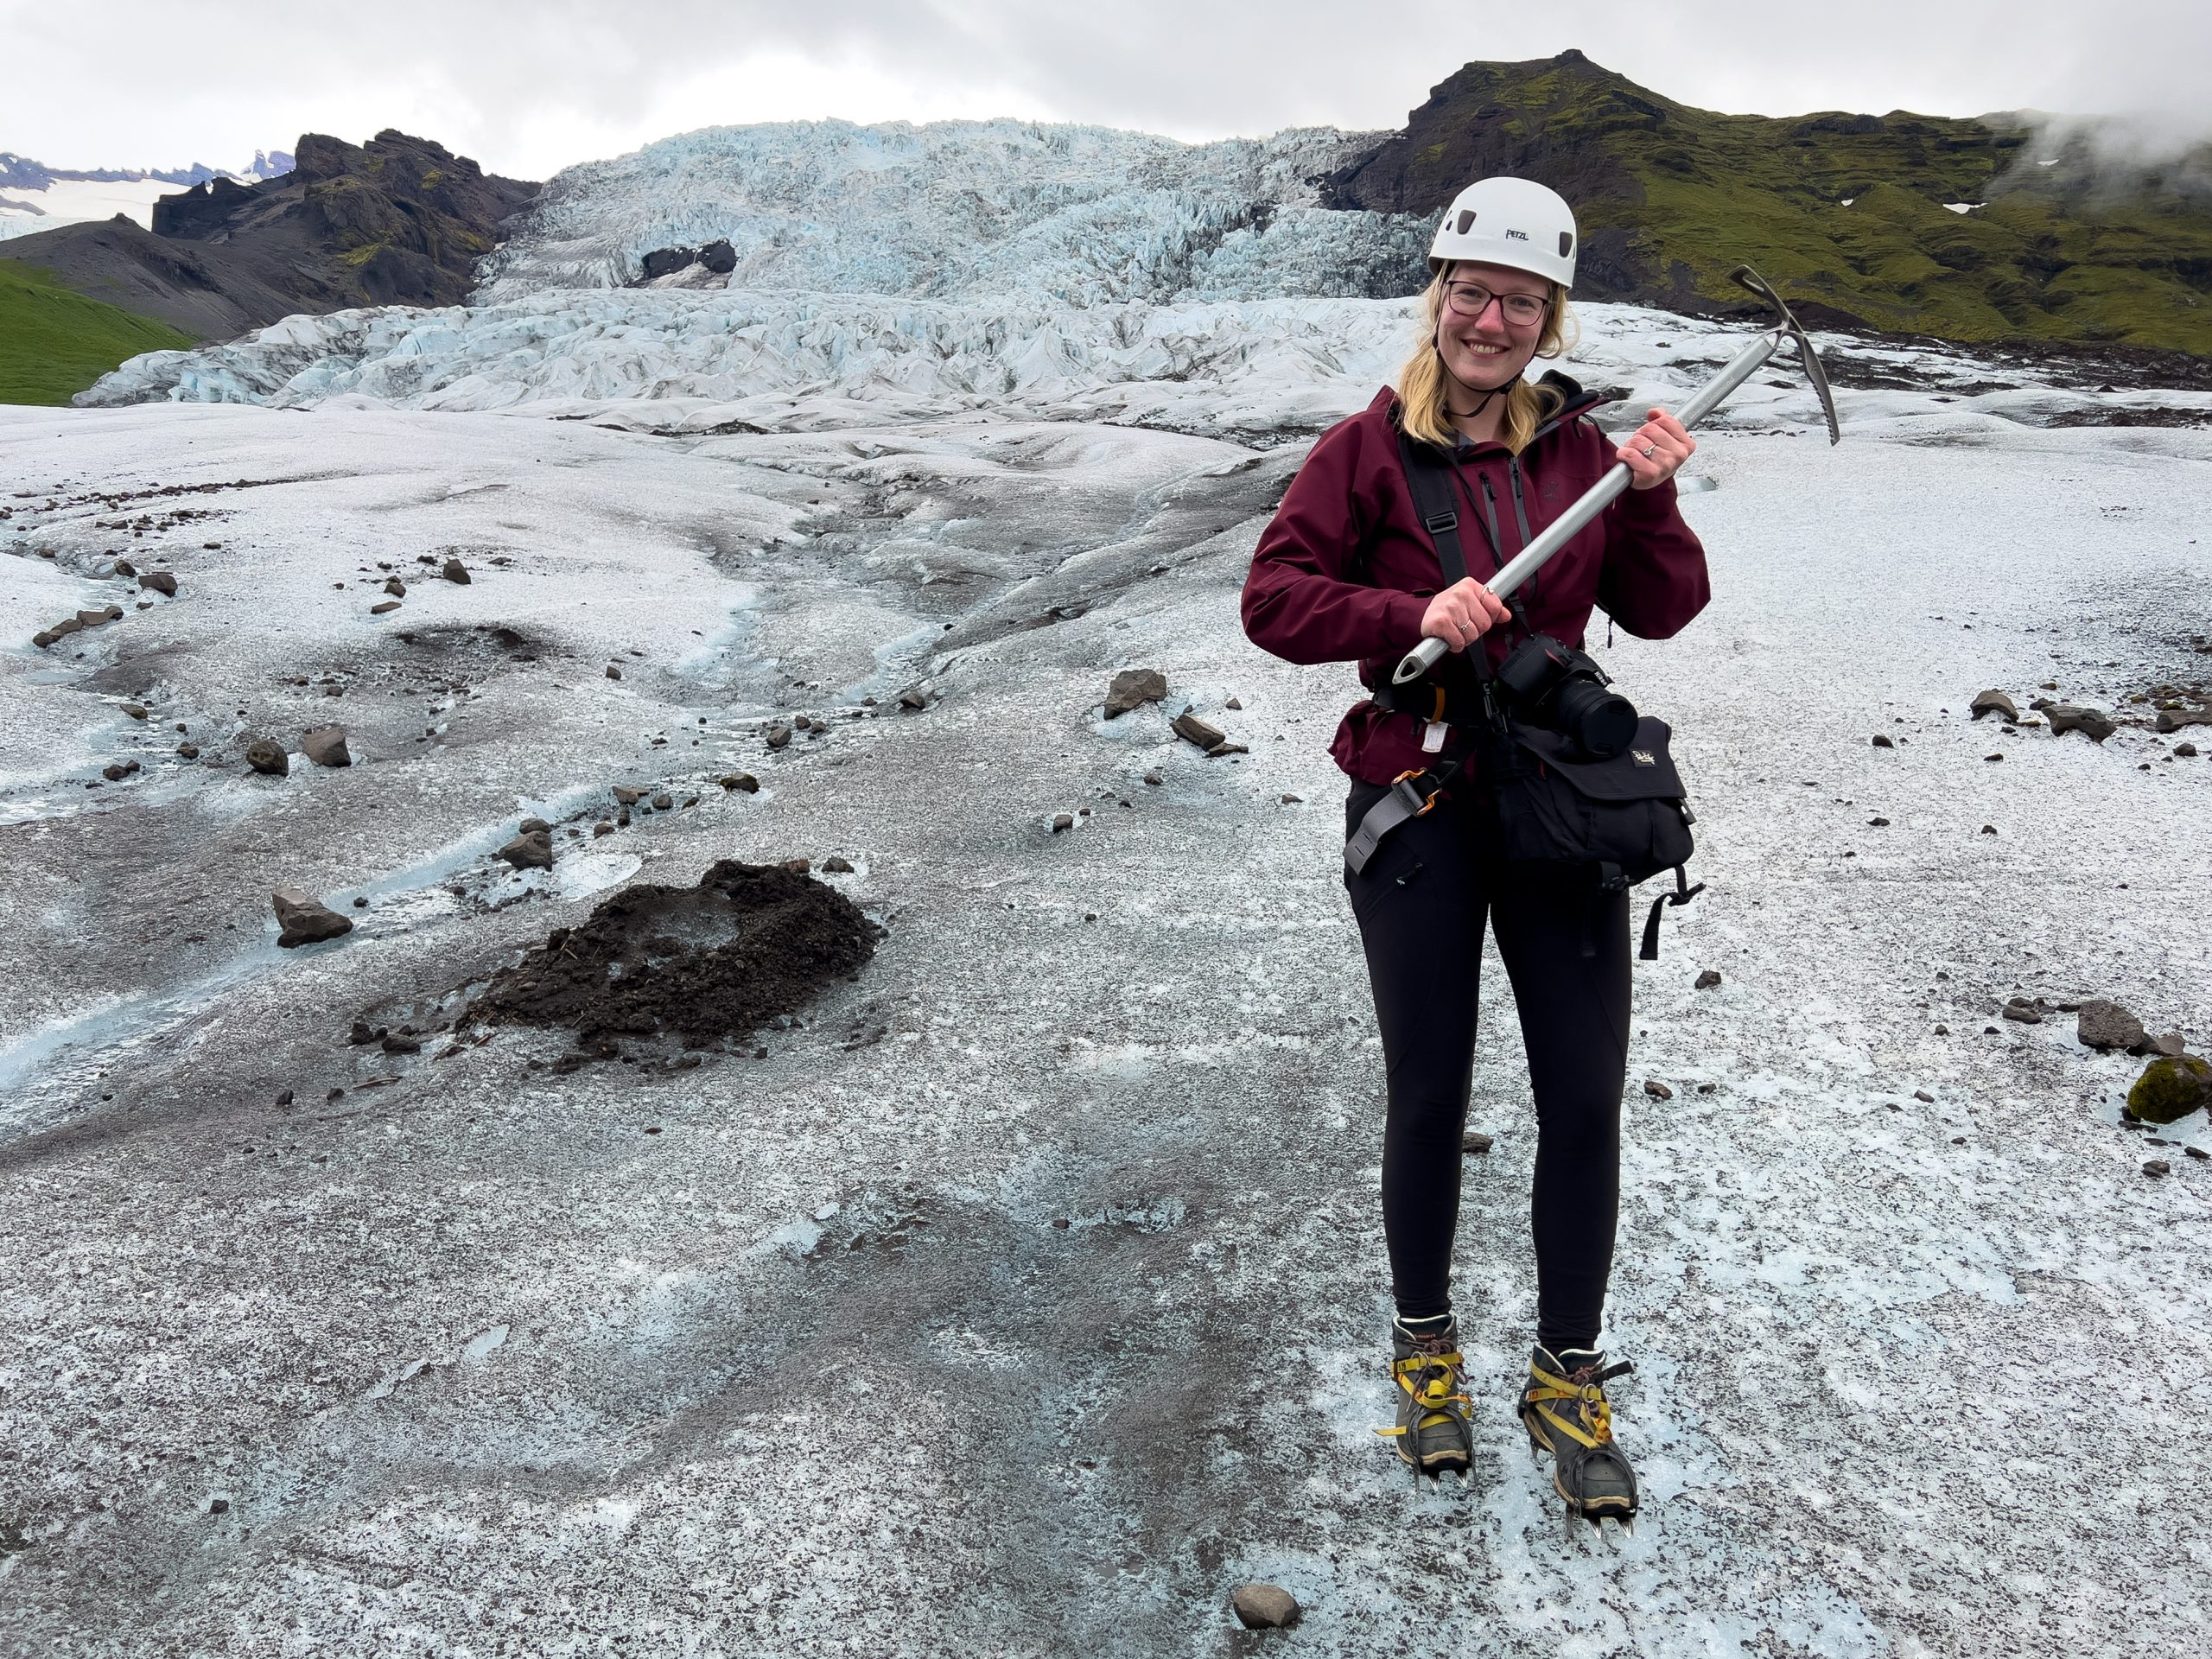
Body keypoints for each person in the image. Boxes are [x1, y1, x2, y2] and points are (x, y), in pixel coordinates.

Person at [1240, 176, 1709, 1527]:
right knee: (1431, 1093)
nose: (1488, 321)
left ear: (1548, 319)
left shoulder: (1583, 456)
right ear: (1437, 298)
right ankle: (1426, 1352)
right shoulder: (1363, 453)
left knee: (1585, 1096)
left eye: (1517, 302)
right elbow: (1275, 599)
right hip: (1424, 801)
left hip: (1560, 808)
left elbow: (1666, 608)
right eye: (1470, 293)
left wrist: (1653, 501)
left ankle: (1567, 1376)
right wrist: (1406, 611)